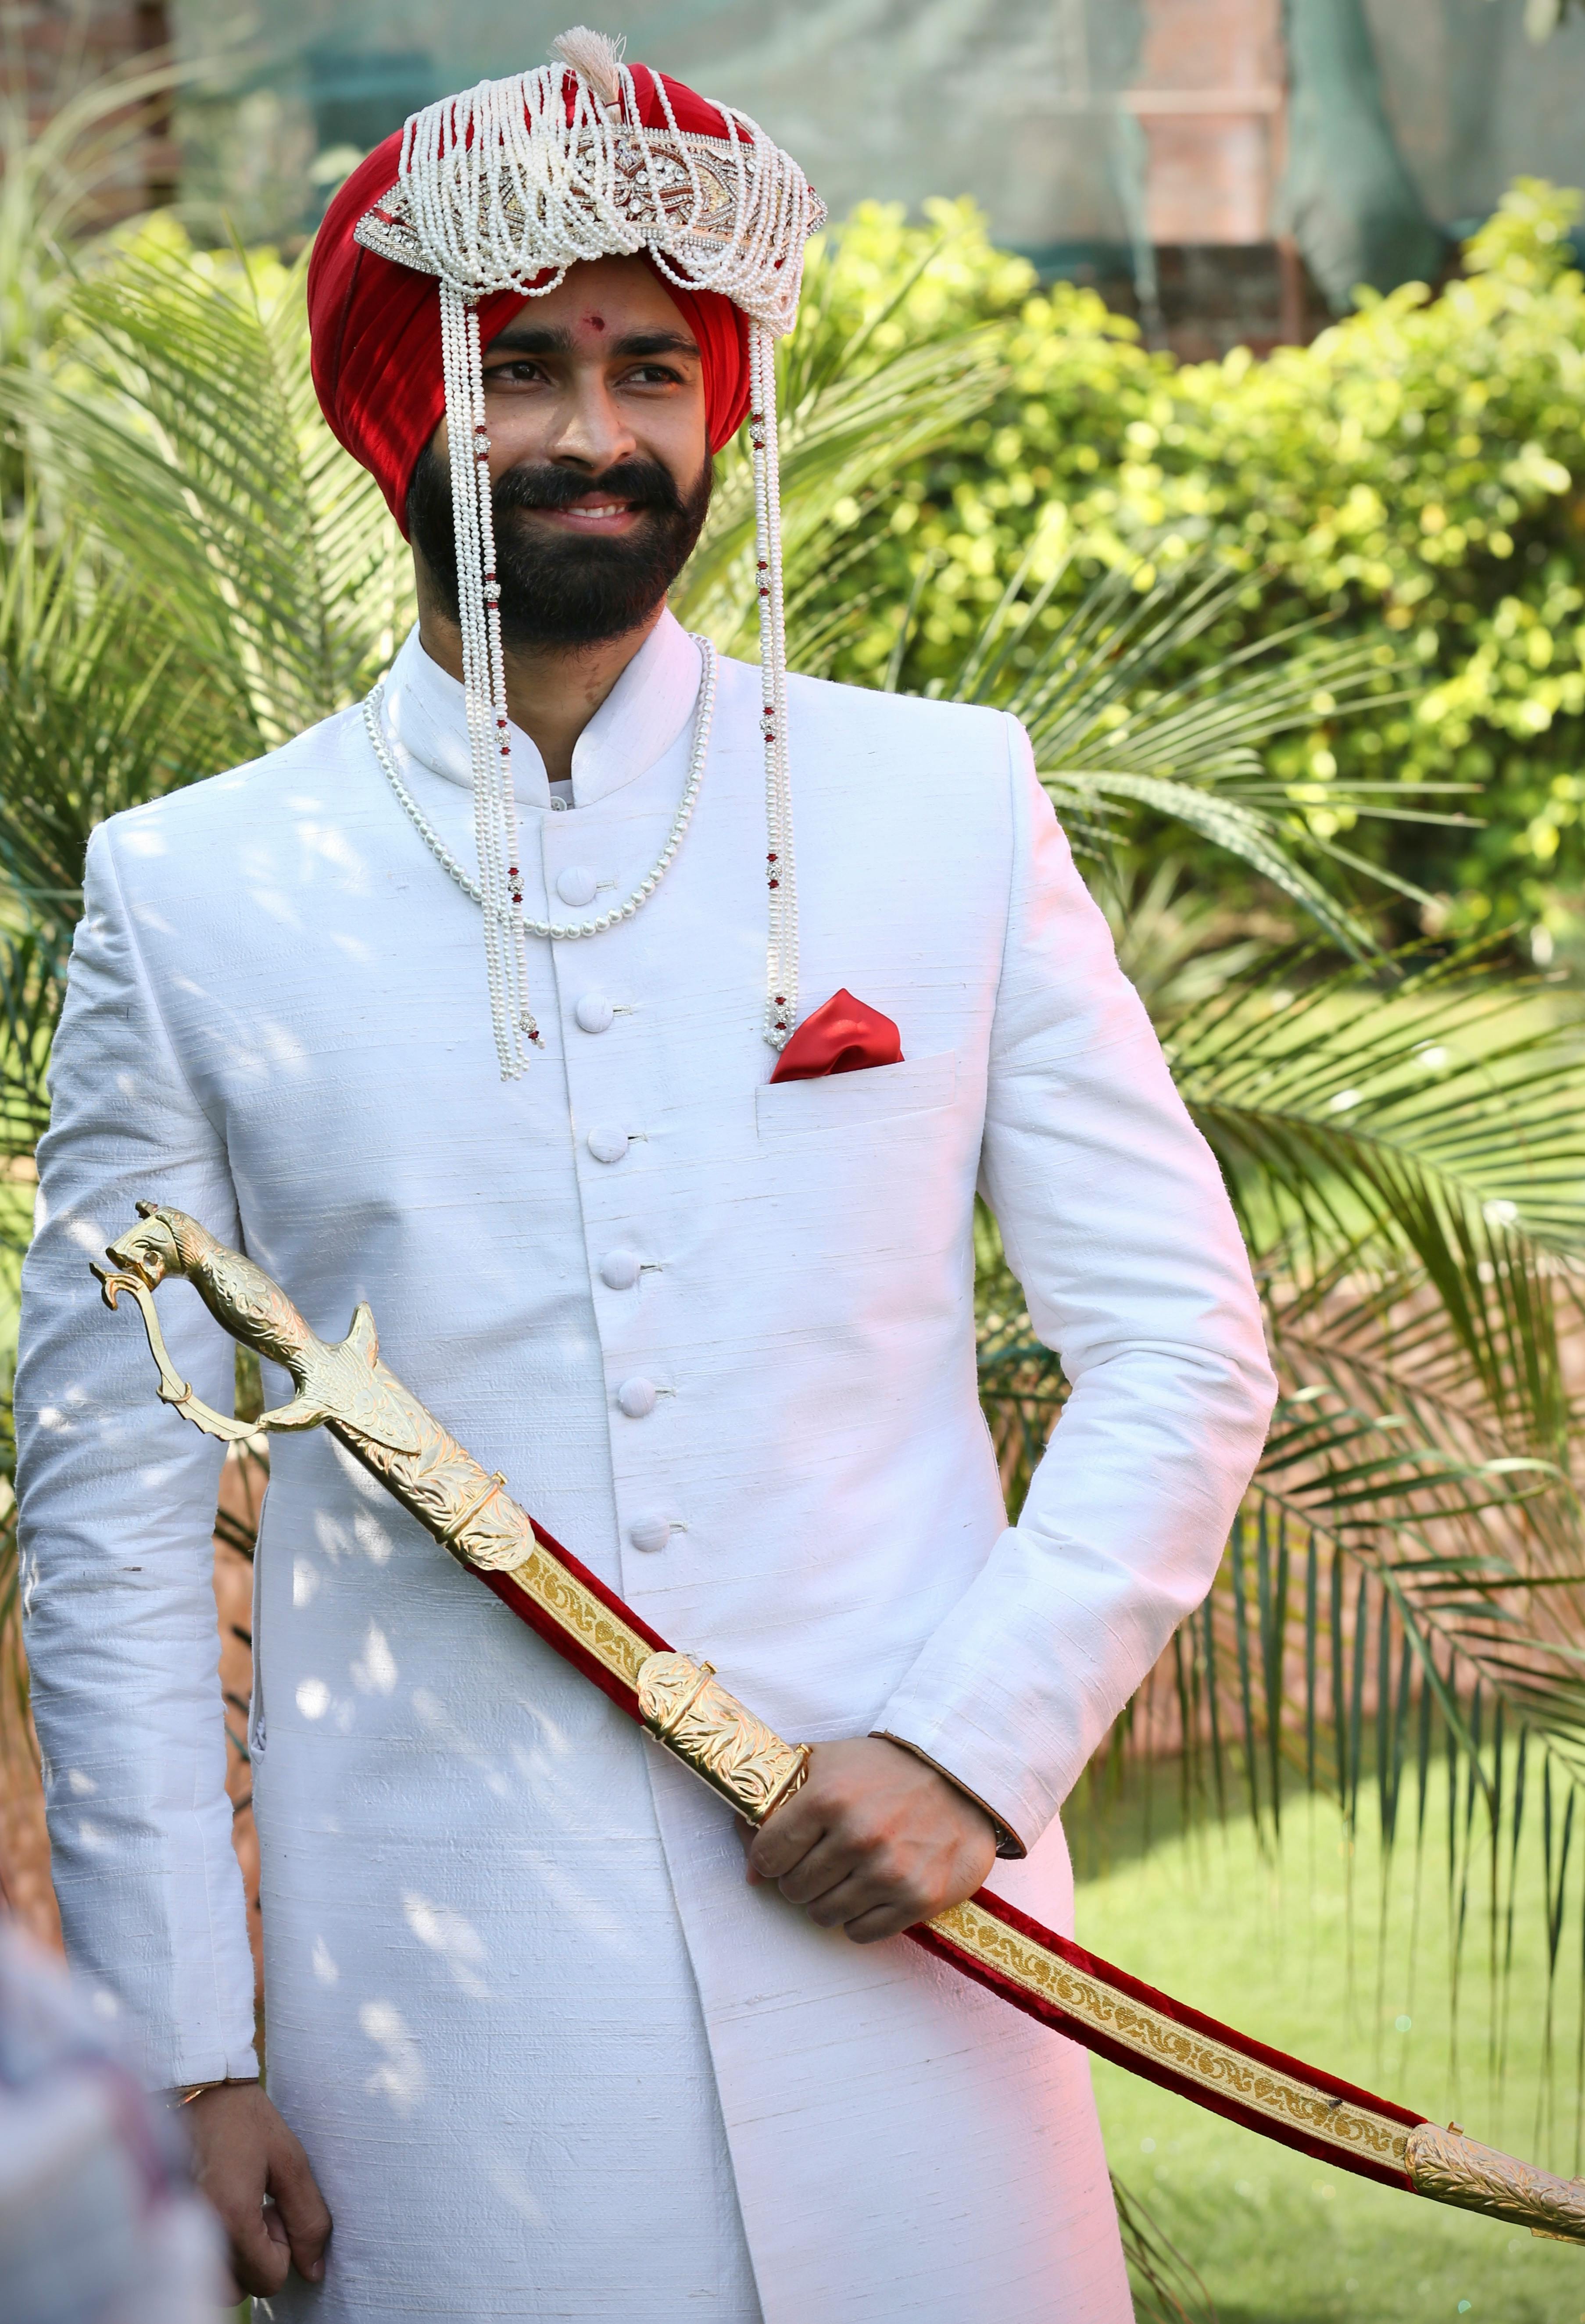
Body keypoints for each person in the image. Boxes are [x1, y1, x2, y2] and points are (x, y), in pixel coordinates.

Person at [14, 31, 1276, 2322]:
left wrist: (976, 1752)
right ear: (404, 406)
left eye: (651, 367)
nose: (598, 430)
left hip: (929, 1965)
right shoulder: (196, 894)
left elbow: (1185, 1337)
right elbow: (103, 1510)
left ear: (723, 409)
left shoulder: (944, 805)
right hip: (459, 2030)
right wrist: (190, 2045)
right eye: (523, 363)